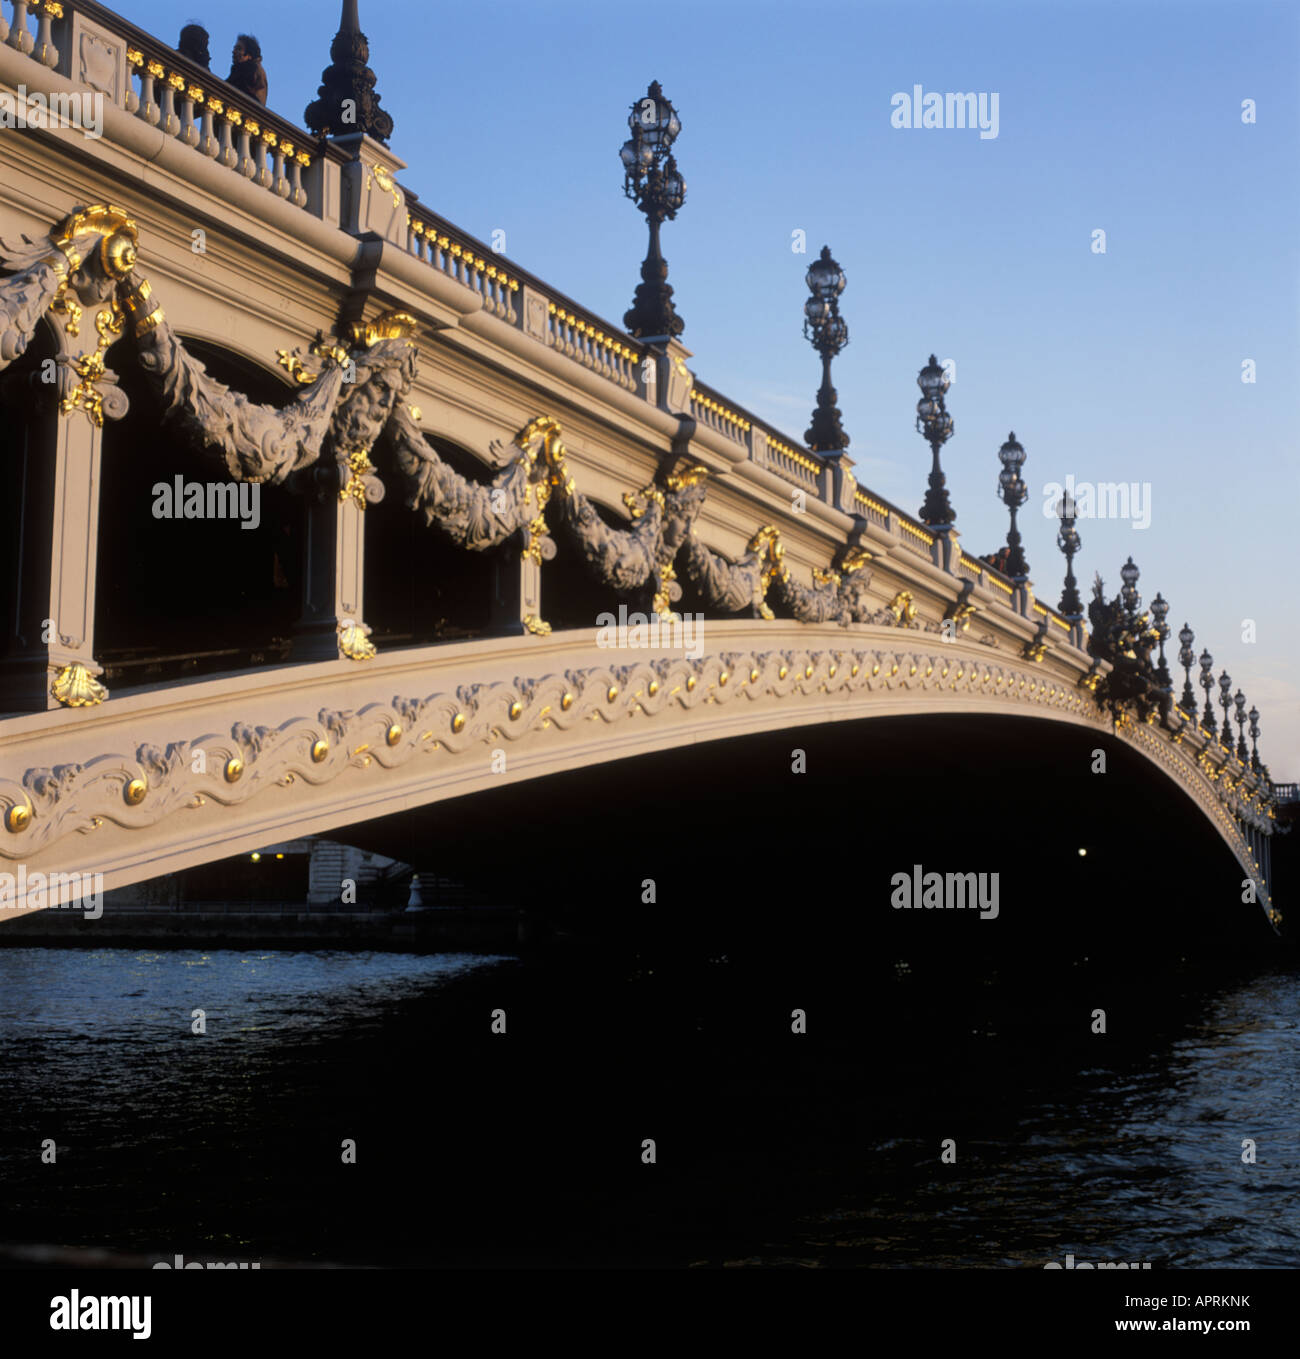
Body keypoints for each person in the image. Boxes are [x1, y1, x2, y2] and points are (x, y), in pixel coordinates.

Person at [226, 34, 267, 106]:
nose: (233, 51)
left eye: (238, 49)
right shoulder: (246, 70)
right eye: (234, 48)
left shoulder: (248, 71)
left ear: (249, 56)